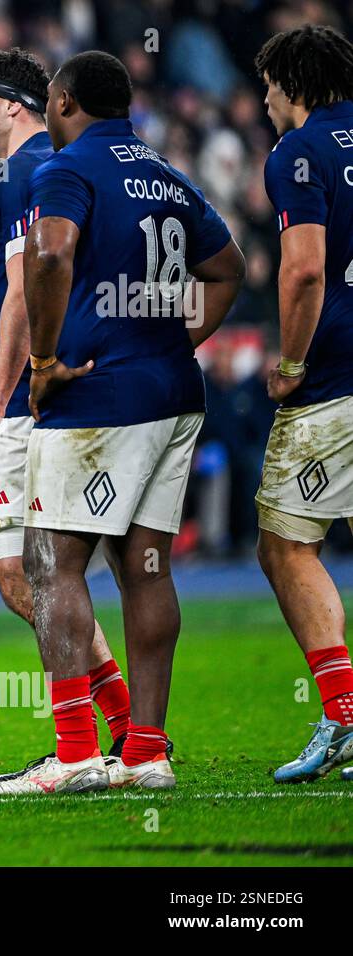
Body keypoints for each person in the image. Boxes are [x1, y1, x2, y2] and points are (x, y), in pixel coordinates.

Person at [0, 51, 244, 795]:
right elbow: (230, 269)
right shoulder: (168, 174)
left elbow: (51, 249)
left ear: (62, 101)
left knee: (50, 562)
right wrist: (177, 341)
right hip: (172, 392)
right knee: (147, 565)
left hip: (97, 395)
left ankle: (74, 753)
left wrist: (42, 360)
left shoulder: (62, 170)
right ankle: (147, 752)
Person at [0, 49, 134, 782]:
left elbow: (26, 288)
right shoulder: (53, 170)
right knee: (60, 573)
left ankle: (80, 749)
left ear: (15, 105)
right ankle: (121, 736)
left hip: (31, 405)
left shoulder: (25, 170)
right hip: (90, 395)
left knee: (32, 576)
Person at [252, 25, 353, 783]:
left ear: (295, 86)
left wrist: (290, 363)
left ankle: (344, 715)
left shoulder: (299, 153)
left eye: (269, 87)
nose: (264, 101)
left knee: (287, 543)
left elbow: (306, 270)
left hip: (335, 380)